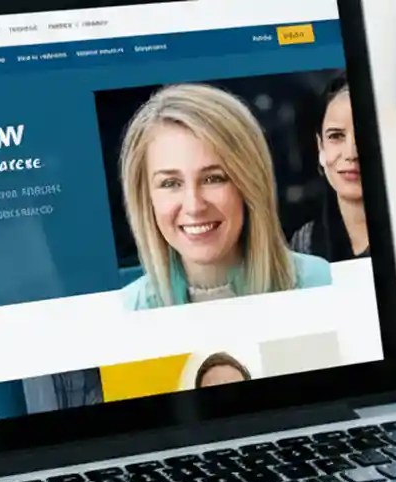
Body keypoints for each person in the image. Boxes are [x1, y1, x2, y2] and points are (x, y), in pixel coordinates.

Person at [117, 83, 332, 311]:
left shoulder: (321, 283)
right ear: (146, 197)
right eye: (170, 183)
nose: (194, 206)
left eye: (213, 179)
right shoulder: (126, 311)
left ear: (249, 184)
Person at [290, 71, 370, 261]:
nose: (351, 153)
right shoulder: (304, 246)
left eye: (365, 134)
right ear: (321, 147)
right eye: (336, 136)